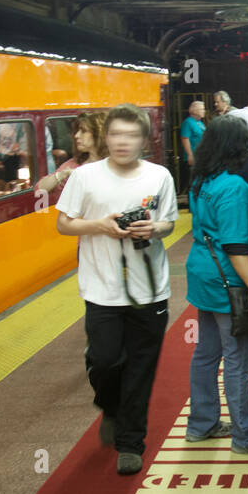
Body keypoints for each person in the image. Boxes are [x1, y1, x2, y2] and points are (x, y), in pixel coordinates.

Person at [55, 104, 178, 475]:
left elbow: (169, 223)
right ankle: (109, 405)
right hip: (101, 290)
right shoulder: (85, 177)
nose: (122, 142)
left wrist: (154, 229)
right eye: (115, 134)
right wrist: (100, 226)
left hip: (149, 290)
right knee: (106, 361)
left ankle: (130, 442)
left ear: (144, 139)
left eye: (131, 135)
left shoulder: (159, 177)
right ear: (105, 137)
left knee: (141, 368)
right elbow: (64, 224)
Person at [186, 116, 248, 456]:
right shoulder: (231, 187)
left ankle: (202, 422)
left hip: (204, 276)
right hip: (231, 283)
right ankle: (247, 435)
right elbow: (236, 246)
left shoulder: (201, 180)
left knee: (206, 353)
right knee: (238, 361)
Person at [37, 111, 106, 195]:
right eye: (77, 130)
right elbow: (39, 189)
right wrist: (61, 175)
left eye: (83, 131)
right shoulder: (74, 164)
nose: (76, 135)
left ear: (99, 134)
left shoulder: (115, 166)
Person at [180, 100, 206, 169]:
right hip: (193, 158)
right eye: (202, 109)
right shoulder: (188, 122)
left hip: (200, 157)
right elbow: (185, 138)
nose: (204, 111)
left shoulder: (200, 122)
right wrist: (190, 155)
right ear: (194, 111)